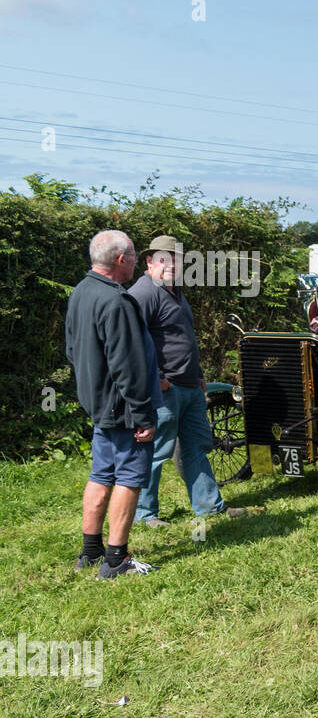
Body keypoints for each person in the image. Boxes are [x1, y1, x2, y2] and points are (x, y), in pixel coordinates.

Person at [128, 235, 248, 526]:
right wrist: (156, 378)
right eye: (163, 259)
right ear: (149, 261)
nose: (170, 264)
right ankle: (145, 514)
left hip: (190, 386)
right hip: (164, 389)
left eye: (176, 258)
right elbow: (131, 342)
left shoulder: (176, 290)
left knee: (197, 446)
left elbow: (184, 338)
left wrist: (200, 376)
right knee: (156, 451)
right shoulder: (143, 293)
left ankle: (210, 506)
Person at [65, 231, 161, 579]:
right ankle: (116, 560)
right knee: (130, 477)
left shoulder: (81, 291)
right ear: (121, 259)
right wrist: (143, 413)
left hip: (99, 406)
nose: (137, 261)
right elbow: (128, 366)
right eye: (135, 255)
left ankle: (90, 552)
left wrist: (94, 392)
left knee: (100, 474)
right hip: (123, 410)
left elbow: (72, 352)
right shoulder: (117, 301)